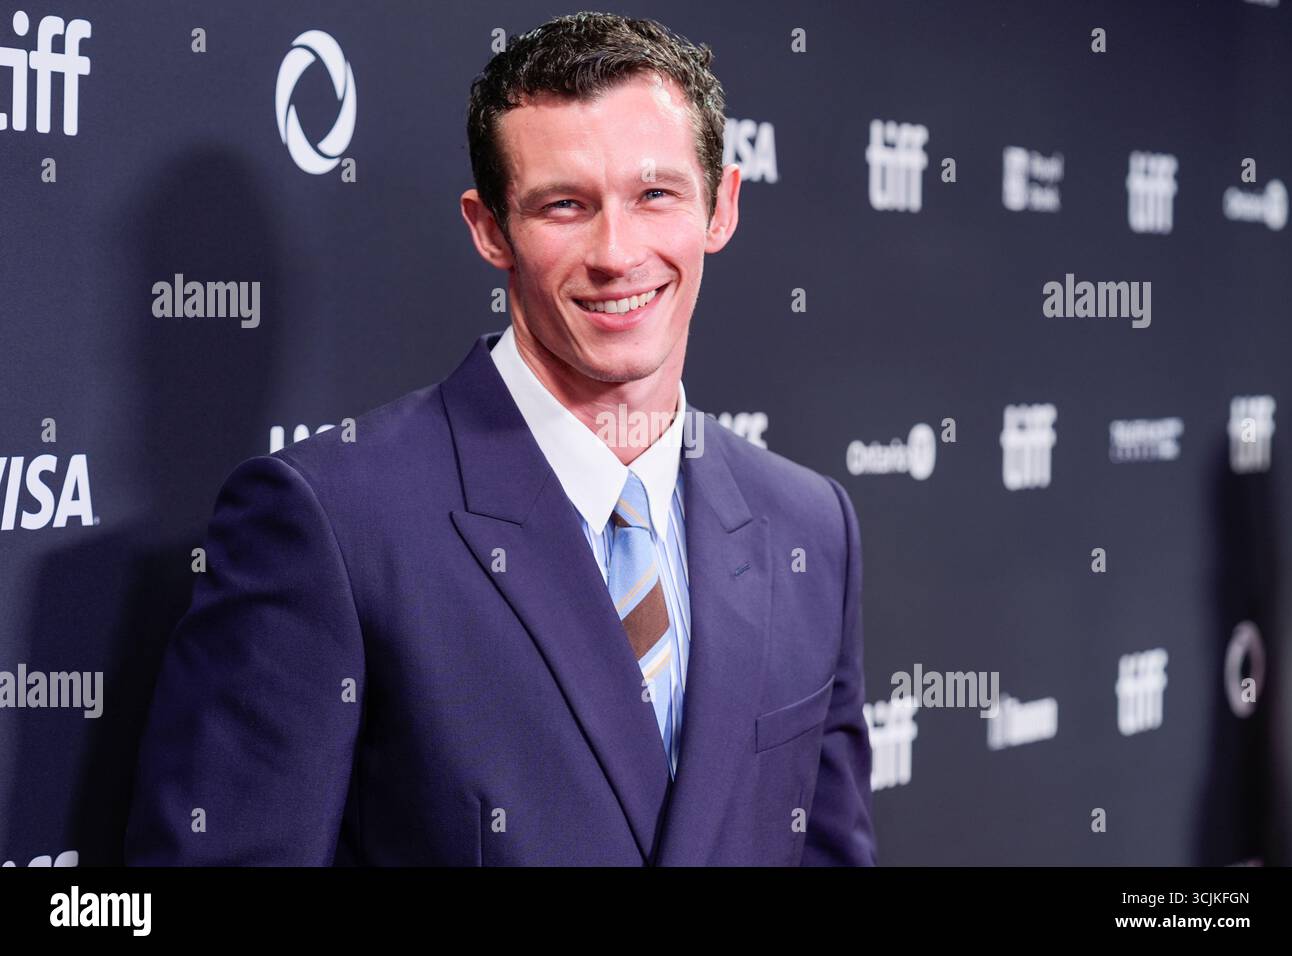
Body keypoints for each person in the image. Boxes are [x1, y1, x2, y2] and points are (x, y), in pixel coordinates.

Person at [125, 11, 876, 866]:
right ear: (490, 230)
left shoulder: (810, 527)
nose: (617, 253)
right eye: (565, 205)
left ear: (721, 207)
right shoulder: (334, 523)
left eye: (655, 194)